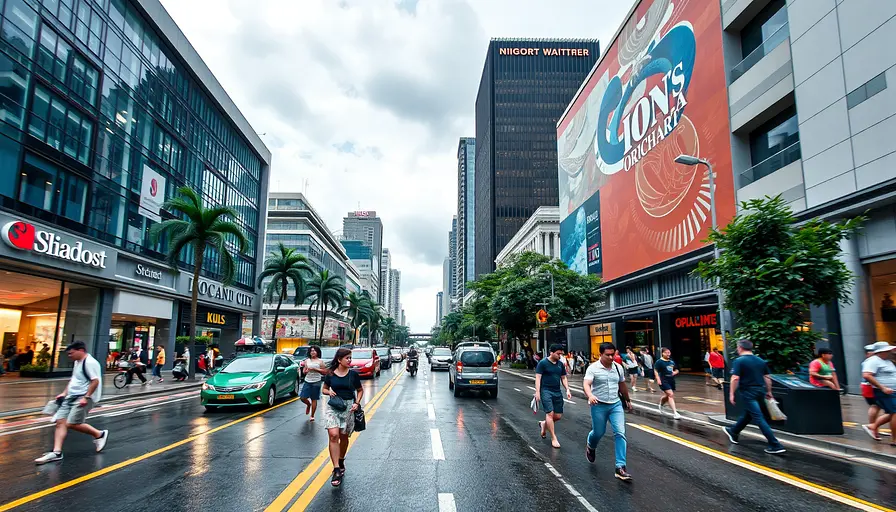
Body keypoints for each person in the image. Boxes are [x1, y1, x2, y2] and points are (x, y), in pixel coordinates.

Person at [34, 341, 108, 464]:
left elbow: (95, 381)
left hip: (83, 397)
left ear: (81, 351)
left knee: (72, 423)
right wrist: (64, 393)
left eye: (71, 353)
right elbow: (74, 379)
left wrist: (86, 397)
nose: (69, 355)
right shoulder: (77, 362)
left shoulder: (90, 363)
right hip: (71, 396)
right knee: (60, 422)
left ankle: (99, 434)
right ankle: (56, 452)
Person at [723, 339, 786, 454]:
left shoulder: (739, 361)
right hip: (760, 391)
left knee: (758, 417)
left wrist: (731, 393)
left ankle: (775, 444)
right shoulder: (760, 361)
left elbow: (735, 378)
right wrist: (769, 391)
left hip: (748, 392)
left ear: (740, 348)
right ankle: (733, 431)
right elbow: (767, 377)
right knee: (749, 414)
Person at [583, 342, 633, 481]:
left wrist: (627, 400)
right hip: (598, 404)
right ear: (601, 354)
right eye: (608, 355)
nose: (611, 357)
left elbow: (622, 384)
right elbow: (586, 384)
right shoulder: (593, 368)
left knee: (620, 433)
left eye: (613, 354)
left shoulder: (618, 367)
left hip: (615, 405)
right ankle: (590, 445)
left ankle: (620, 467)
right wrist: (590, 395)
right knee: (598, 432)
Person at [322, 348, 363, 487]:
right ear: (339, 360)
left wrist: (357, 403)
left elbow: (360, 390)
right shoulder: (331, 374)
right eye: (347, 358)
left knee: (343, 436)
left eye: (350, 358)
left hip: (348, 408)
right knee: (333, 435)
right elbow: (324, 389)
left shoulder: (353, 375)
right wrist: (329, 391)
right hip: (333, 406)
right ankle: (336, 469)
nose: (350, 360)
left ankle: (341, 459)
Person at [534, 344, 572, 449]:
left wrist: (567, 389)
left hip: (557, 392)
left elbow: (563, 378)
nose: (560, 355)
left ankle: (543, 424)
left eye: (561, 353)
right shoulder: (543, 363)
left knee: (558, 416)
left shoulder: (560, 364)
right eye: (558, 353)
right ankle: (553, 438)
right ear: (551, 352)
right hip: (546, 391)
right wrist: (537, 392)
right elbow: (538, 378)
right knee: (550, 414)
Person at [861, 342, 896, 445]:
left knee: (892, 413)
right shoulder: (873, 361)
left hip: (892, 390)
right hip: (884, 391)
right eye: (887, 350)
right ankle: (895, 439)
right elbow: (867, 375)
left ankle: (873, 426)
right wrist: (882, 387)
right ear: (881, 351)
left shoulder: (887, 361)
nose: (890, 352)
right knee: (894, 413)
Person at [300, 346, 327, 422]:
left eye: (314, 351)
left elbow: (324, 371)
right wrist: (305, 371)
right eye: (311, 351)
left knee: (314, 399)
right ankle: (308, 404)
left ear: (317, 352)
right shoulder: (307, 361)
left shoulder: (320, 361)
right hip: (307, 380)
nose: (313, 352)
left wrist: (315, 369)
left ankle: (312, 415)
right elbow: (304, 371)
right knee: (302, 397)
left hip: (316, 381)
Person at [860, 344, 884, 431]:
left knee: (877, 406)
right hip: (869, 386)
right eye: (871, 352)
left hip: (870, 386)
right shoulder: (869, 362)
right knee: (875, 406)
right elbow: (868, 375)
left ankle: (874, 426)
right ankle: (872, 426)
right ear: (867, 354)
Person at [654, 348, 681, 419]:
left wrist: (675, 372)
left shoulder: (671, 362)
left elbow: (677, 370)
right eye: (666, 353)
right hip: (663, 380)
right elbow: (656, 370)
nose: (668, 354)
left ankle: (661, 404)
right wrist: (658, 379)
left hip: (671, 380)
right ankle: (675, 413)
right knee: (671, 394)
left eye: (669, 352)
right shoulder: (659, 362)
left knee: (668, 395)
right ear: (662, 353)